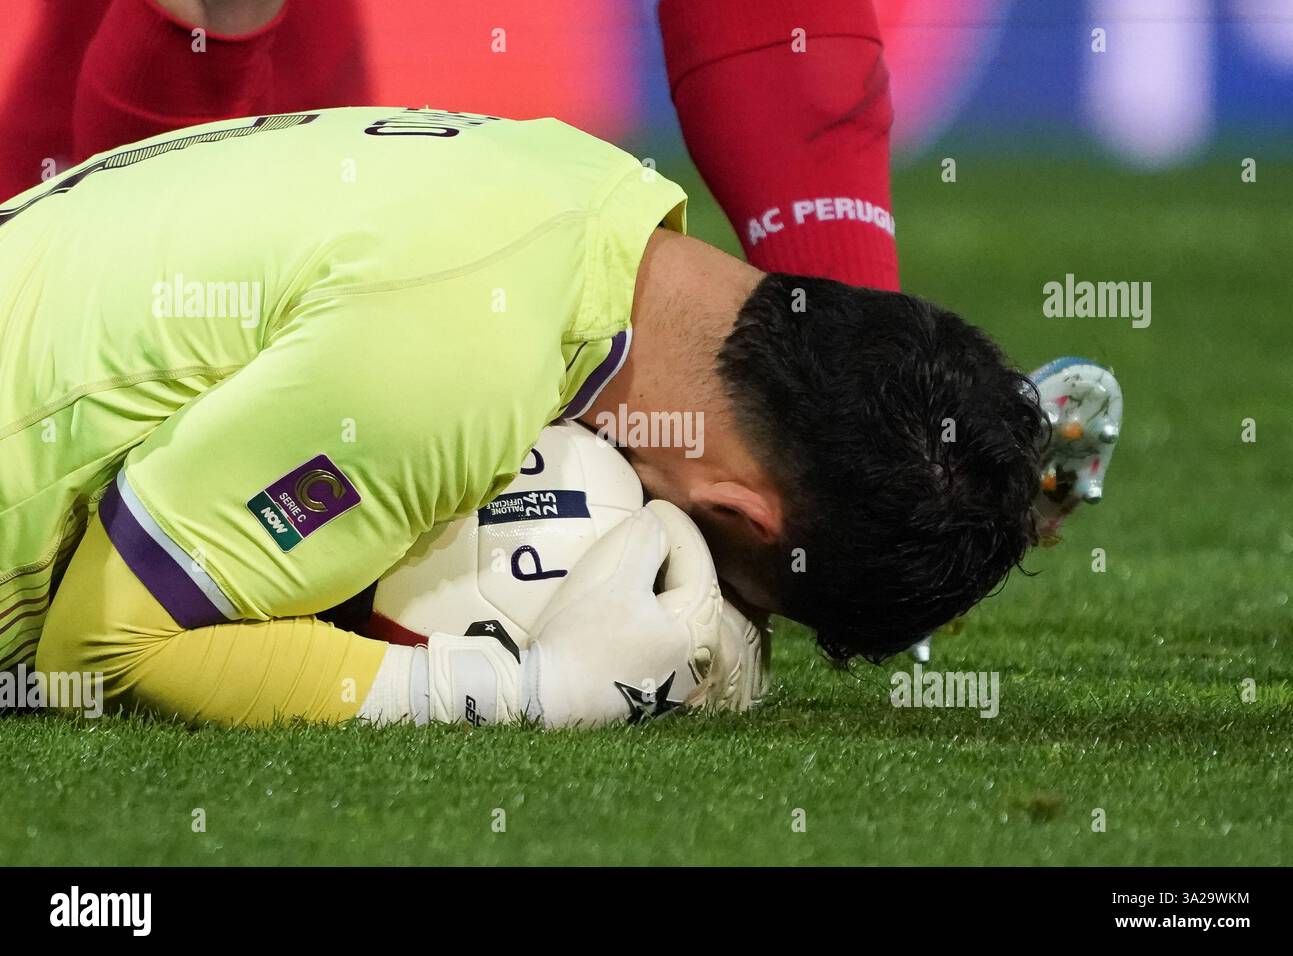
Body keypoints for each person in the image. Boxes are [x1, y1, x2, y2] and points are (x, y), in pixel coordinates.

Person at [2, 105, 1055, 727]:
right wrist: (514, 686)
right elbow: (99, 645)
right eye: (757, 603)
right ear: (741, 510)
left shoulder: (598, 194)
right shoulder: (455, 366)